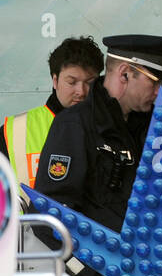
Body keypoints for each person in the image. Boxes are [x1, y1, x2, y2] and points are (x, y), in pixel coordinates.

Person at [34, 34, 162, 276]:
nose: (158, 92)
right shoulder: (76, 125)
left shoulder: (147, 128)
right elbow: (49, 216)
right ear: (125, 74)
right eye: (154, 82)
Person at [2, 36, 104, 185]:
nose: (81, 91)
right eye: (72, 82)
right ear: (55, 80)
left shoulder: (113, 128)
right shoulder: (16, 131)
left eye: (90, 83)